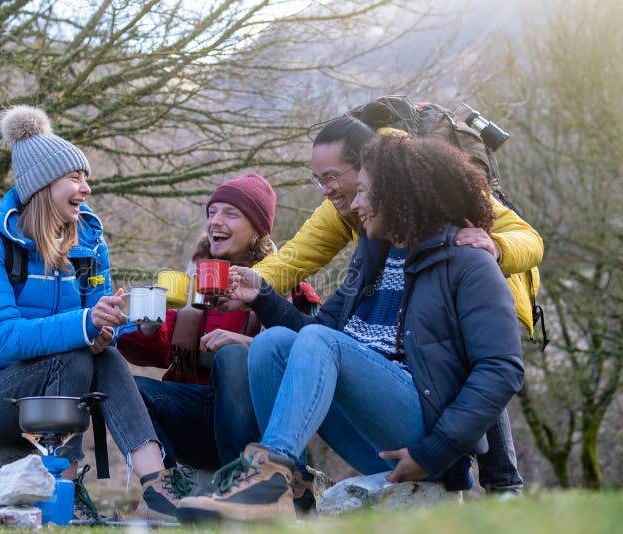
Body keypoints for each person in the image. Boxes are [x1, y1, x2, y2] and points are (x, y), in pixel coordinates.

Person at [177, 134, 525, 522]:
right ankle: (284, 490)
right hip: (371, 435)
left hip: (426, 439)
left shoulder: (466, 262)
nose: (354, 204)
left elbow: (501, 368)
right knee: (272, 343)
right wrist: (261, 296)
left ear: (397, 194)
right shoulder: (371, 260)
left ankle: (265, 482)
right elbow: (314, 332)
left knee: (317, 340)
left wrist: (436, 451)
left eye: (363, 191)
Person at [0, 105, 181, 520]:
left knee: (102, 353)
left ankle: (157, 487)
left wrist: (125, 325)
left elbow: (96, 320)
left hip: (59, 390)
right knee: (76, 350)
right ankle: (67, 487)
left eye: (86, 178)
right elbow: (5, 337)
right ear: (44, 184)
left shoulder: (90, 245)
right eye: (75, 178)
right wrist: (85, 325)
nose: (86, 188)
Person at [116, 173, 321, 509]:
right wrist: (148, 330)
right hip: (200, 421)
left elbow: (313, 357)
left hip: (260, 428)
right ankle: (168, 491)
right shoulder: (192, 281)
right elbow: (158, 352)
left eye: (230, 213)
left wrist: (243, 343)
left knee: (231, 358)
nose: (216, 221)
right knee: (129, 389)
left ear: (257, 229)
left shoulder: (288, 285)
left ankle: (244, 485)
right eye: (212, 212)